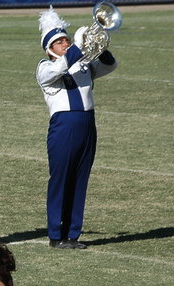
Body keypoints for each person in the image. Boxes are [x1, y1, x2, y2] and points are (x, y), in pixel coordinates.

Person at [36, 7, 117, 250]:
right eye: (59, 41)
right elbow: (61, 68)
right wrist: (78, 47)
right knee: (61, 178)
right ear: (49, 48)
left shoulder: (82, 63)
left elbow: (110, 65)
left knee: (80, 179)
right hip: (64, 126)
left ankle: (72, 234)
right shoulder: (44, 67)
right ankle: (55, 233)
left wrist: (98, 44)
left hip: (87, 124)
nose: (65, 42)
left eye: (66, 39)